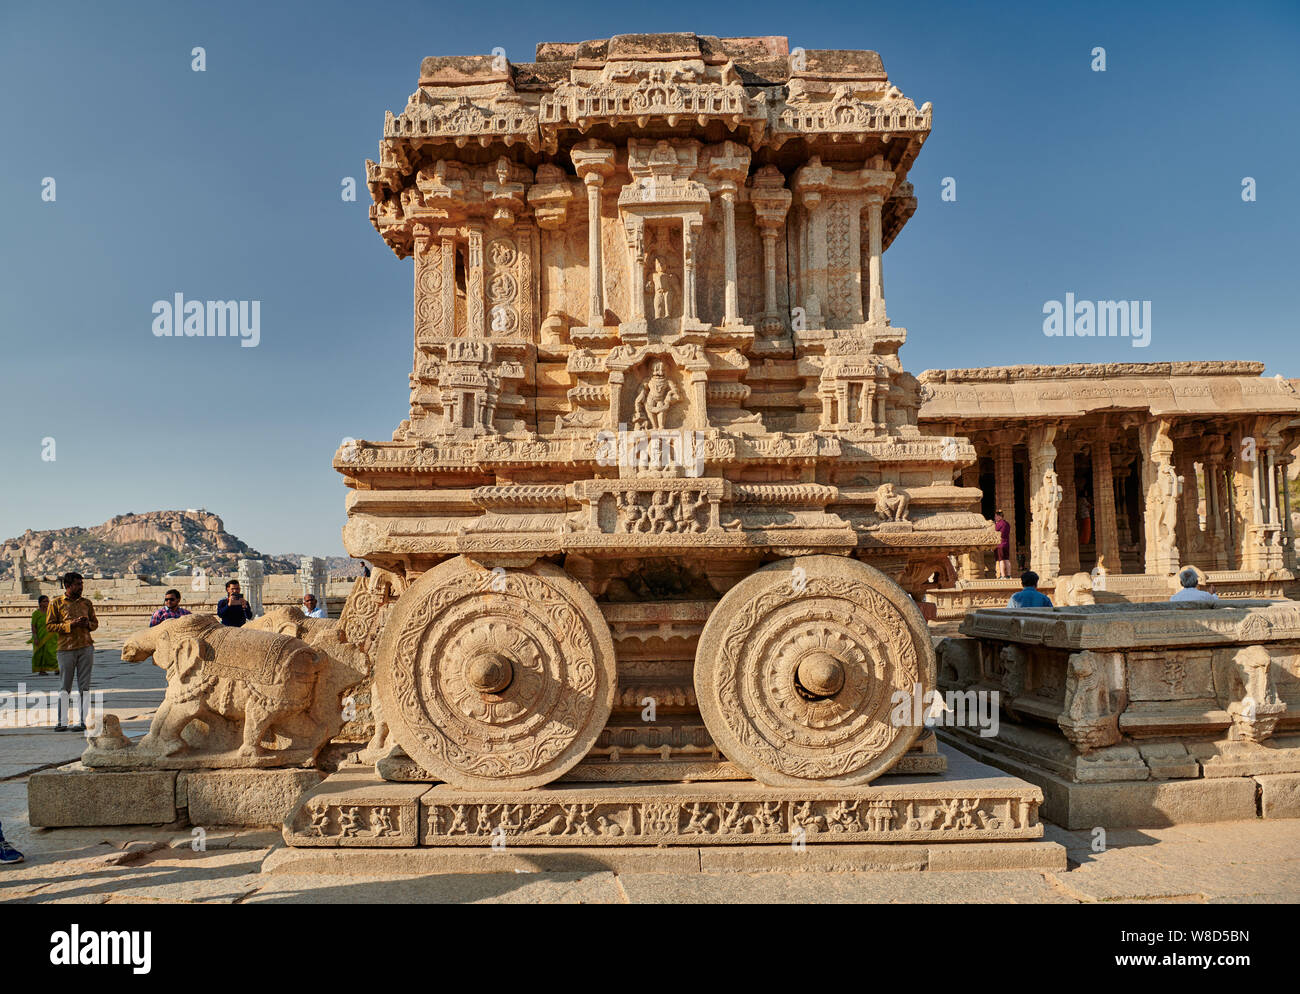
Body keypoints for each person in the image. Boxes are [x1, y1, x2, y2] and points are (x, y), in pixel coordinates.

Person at [45, 572, 98, 731]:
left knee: (85, 686)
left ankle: (83, 721)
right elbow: (49, 626)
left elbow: (95, 623)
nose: (81, 587)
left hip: (85, 647)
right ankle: (62, 721)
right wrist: (70, 625)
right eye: (77, 584)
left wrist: (87, 623)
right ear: (67, 586)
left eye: (81, 584)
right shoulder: (56, 603)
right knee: (65, 686)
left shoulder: (87, 603)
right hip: (65, 649)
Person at [28, 595, 58, 675]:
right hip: (40, 636)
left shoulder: (52, 612)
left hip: (51, 636)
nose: (47, 603)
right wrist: (35, 637)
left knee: (52, 653)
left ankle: (56, 669)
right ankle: (42, 670)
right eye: (45, 601)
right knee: (40, 654)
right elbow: (33, 626)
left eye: (48, 601)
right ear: (40, 603)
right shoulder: (36, 613)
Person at [993, 510, 1012, 579]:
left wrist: (995, 523)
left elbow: (994, 530)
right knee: (1007, 559)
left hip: (1000, 544)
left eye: (996, 516)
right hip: (1006, 543)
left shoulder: (999, 524)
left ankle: (1003, 575)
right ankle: (1009, 575)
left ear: (999, 516)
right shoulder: (1007, 523)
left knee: (1001, 560)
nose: (995, 518)